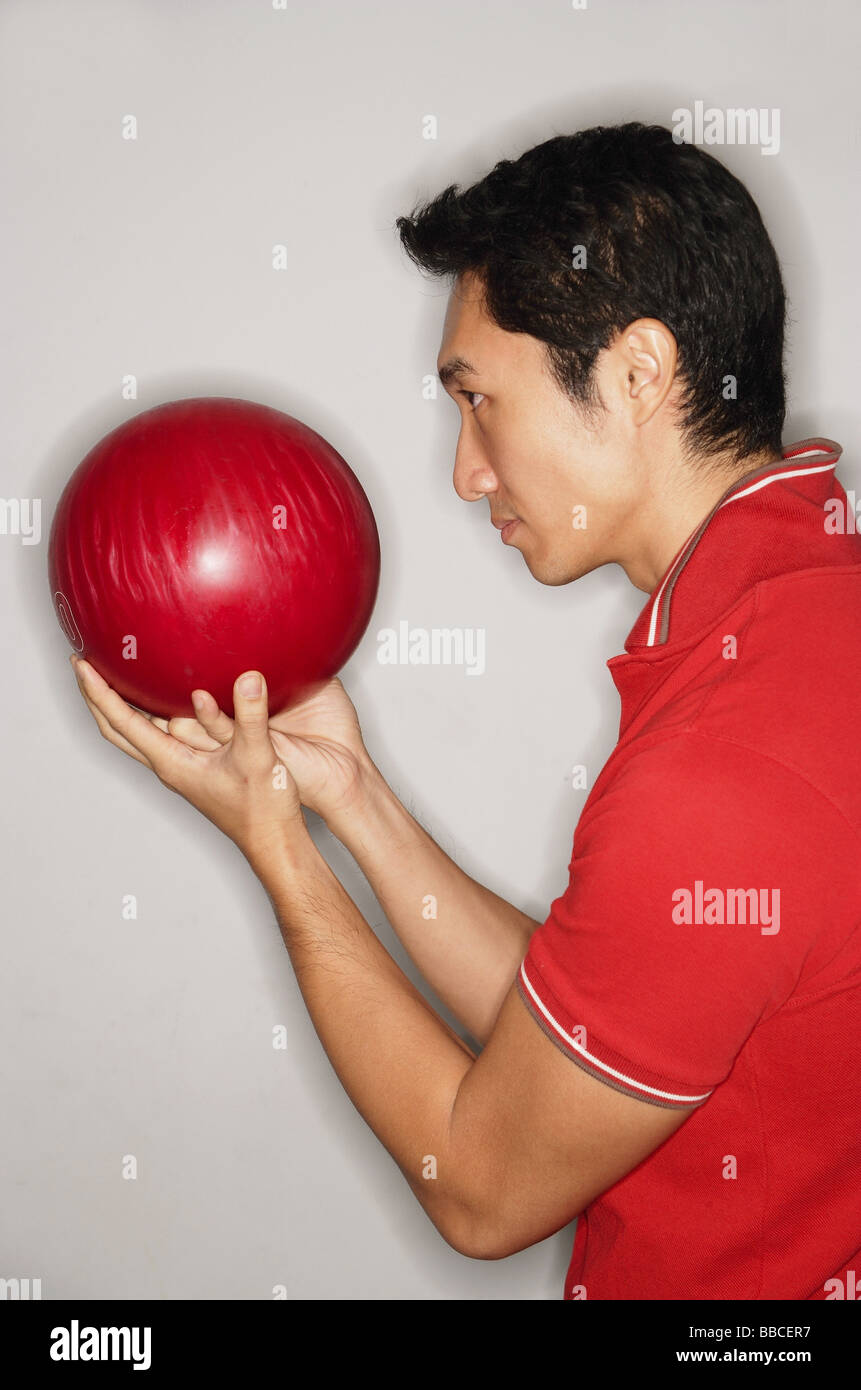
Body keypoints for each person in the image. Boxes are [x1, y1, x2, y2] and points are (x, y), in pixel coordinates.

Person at [73, 122, 861, 1300]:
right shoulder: (808, 628)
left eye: (480, 398)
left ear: (640, 372)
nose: (466, 472)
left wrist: (279, 853)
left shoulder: (726, 758)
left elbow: (485, 1184)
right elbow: (594, 1031)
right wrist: (352, 799)